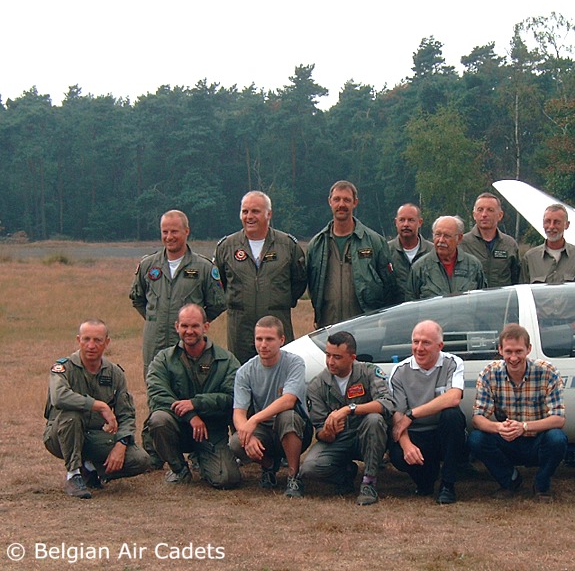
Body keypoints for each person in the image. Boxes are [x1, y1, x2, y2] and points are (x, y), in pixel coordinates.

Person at [130, 209, 226, 468]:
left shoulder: (204, 267)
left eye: (174, 231)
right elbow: (137, 297)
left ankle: (196, 447)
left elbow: (217, 303)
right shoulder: (149, 265)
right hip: (155, 341)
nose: (169, 236)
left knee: (193, 389)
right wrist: (156, 320)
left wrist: (195, 327)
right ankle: (155, 449)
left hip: (190, 344)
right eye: (165, 232)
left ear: (186, 231)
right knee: (156, 391)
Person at [44, 319, 149, 498]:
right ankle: (73, 475)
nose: (91, 345)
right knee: (71, 414)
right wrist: (98, 405)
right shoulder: (63, 368)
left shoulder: (114, 373)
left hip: (94, 436)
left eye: (97, 340)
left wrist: (121, 443)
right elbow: (59, 397)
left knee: (140, 459)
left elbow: (126, 414)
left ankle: (90, 469)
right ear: (78, 340)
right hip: (60, 434)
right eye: (86, 339)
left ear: (107, 343)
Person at [520, 203, 575, 467]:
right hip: (541, 332)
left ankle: (571, 448)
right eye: (547, 221)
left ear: (567, 225)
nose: (551, 227)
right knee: (543, 386)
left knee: (570, 386)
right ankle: (543, 441)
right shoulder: (531, 257)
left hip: (573, 330)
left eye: (557, 222)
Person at [146, 304, 241, 489]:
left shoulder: (226, 360)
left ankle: (203, 459)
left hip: (211, 430)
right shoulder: (163, 359)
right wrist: (191, 416)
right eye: (184, 326)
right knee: (158, 419)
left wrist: (196, 404)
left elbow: (232, 398)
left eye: (195, 326)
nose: (189, 331)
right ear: (176, 327)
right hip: (178, 426)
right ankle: (179, 469)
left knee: (227, 479)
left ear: (206, 327)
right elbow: (157, 394)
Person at [468, 324, 567, 500]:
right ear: (500, 350)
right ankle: (510, 480)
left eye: (519, 351)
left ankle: (542, 484)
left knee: (557, 439)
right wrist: (499, 428)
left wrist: (524, 427)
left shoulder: (547, 372)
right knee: (476, 439)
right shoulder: (489, 373)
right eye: (508, 351)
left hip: (537, 439)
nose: (513, 358)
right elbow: (477, 418)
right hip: (506, 439)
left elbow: (558, 419)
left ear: (529, 349)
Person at [300, 331, 395, 505]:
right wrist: (327, 433)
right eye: (328, 355)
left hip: (367, 435)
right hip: (339, 440)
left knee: (374, 420)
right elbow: (319, 428)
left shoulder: (369, 372)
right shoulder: (317, 385)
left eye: (337, 357)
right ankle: (345, 475)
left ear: (352, 357)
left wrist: (349, 409)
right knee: (310, 468)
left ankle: (369, 482)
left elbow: (387, 404)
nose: (330, 362)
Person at [213, 191, 307, 363]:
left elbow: (299, 282)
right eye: (245, 211)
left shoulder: (287, 246)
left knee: (280, 379)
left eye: (255, 211)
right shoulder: (226, 247)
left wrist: (278, 301)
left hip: (277, 328)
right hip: (240, 332)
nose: (249, 217)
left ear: (268, 214)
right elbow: (219, 285)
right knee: (241, 379)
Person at [229, 316, 311, 497]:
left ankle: (293, 476)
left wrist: (255, 418)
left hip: (295, 428)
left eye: (269, 339)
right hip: (264, 431)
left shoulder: (295, 363)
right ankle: (268, 466)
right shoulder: (245, 371)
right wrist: (246, 436)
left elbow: (289, 400)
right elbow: (238, 412)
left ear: (282, 340)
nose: (263, 344)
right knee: (236, 442)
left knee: (287, 416)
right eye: (259, 339)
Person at [388, 320, 467, 504]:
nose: (419, 348)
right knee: (399, 455)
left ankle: (448, 484)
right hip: (417, 433)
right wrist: (407, 446)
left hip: (442, 432)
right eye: (415, 342)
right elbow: (398, 416)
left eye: (426, 343)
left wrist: (412, 414)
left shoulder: (453, 363)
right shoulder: (399, 371)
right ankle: (425, 480)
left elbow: (454, 397)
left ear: (440, 346)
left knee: (452, 415)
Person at [306, 180, 400, 328]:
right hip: (328, 327)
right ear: (329, 202)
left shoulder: (374, 242)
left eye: (346, 200)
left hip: (367, 327)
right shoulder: (316, 245)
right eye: (337, 199)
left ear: (355, 202)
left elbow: (390, 286)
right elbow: (312, 286)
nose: (341, 204)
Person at [408, 216, 487, 300]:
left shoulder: (473, 265)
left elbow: (482, 302)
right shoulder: (419, 268)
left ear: (459, 238)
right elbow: (411, 305)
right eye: (437, 234)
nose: (441, 240)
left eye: (447, 236)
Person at [460, 192, 520, 288]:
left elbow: (517, 280)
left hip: (502, 301)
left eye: (490, 210)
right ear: (474, 215)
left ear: (500, 215)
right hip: (471, 301)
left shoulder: (509, 244)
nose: (484, 214)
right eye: (480, 210)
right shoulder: (462, 244)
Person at [388, 203, 434, 301]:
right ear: (396, 222)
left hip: (425, 311)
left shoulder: (432, 252)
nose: (406, 224)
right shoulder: (385, 251)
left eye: (411, 220)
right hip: (393, 311)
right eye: (402, 220)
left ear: (420, 222)